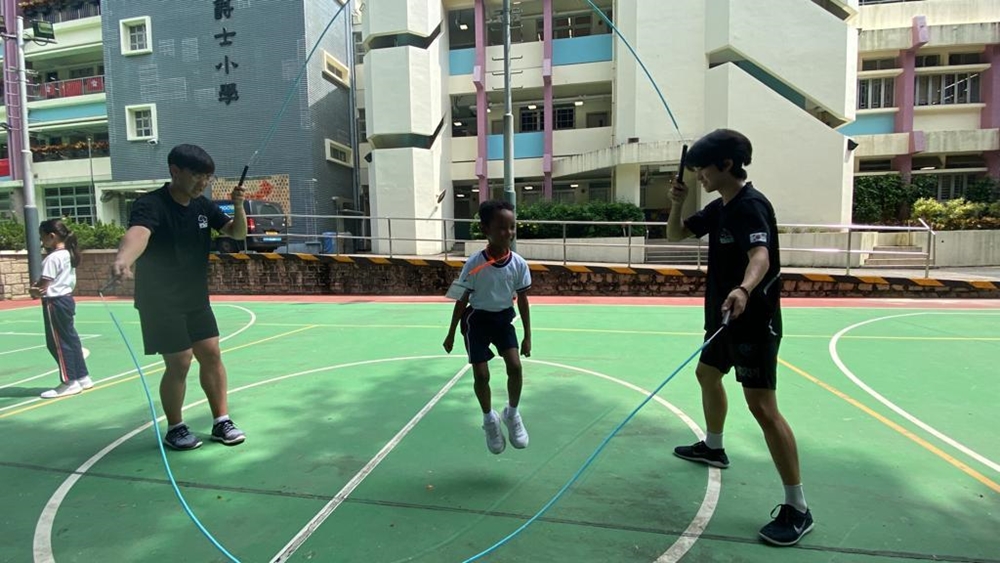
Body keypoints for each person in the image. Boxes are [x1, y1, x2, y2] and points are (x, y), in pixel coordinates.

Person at [666, 129, 813, 546]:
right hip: (723, 318)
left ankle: (798, 508)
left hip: (752, 319)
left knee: (763, 408)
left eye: (702, 169)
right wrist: (676, 203)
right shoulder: (719, 208)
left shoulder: (751, 206)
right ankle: (713, 447)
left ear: (726, 165)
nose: (699, 176)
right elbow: (675, 235)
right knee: (707, 374)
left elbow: (760, 255)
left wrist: (744, 289)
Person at [111, 144, 248, 451]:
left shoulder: (203, 206)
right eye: (197, 176)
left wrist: (238, 206)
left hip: (194, 296)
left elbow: (237, 233)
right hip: (159, 299)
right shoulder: (151, 204)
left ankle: (221, 421)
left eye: (208, 177)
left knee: (211, 354)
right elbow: (139, 233)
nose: (203, 183)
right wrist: (123, 259)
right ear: (175, 171)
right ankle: (176, 427)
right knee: (180, 362)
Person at [443, 200, 532, 455]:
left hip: (503, 320)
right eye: (502, 227)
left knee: (515, 366)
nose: (508, 232)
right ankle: (489, 419)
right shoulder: (473, 264)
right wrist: (450, 333)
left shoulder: (518, 264)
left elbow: (523, 300)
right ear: (485, 229)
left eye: (512, 227)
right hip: (477, 321)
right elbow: (461, 299)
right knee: (481, 375)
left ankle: (511, 413)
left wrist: (527, 336)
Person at [30, 219, 93, 399]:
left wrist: (33, 290)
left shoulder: (53, 258)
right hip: (66, 300)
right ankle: (82, 377)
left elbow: (43, 286)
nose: (41, 241)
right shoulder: (67, 254)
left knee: (57, 343)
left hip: (55, 302)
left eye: (42, 237)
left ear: (52, 236)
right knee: (71, 339)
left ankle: (69, 382)